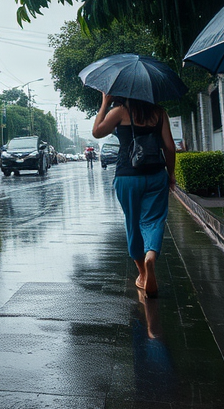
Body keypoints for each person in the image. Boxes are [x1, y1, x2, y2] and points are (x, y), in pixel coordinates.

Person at [91, 92, 175, 298]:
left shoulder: (120, 112)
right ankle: (151, 255)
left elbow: (97, 132)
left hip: (127, 177)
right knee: (154, 220)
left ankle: (143, 273)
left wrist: (105, 102)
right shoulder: (159, 113)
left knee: (133, 222)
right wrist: (171, 174)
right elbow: (169, 146)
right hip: (156, 175)